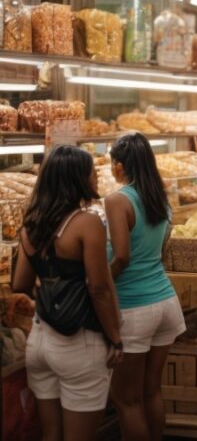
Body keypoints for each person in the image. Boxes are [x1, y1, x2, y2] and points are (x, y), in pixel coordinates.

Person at [13, 145, 123, 441]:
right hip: (79, 343)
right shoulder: (87, 223)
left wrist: (50, 286)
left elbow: (20, 283)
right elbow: (99, 288)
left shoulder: (30, 225)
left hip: (39, 342)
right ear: (77, 178)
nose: (97, 175)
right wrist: (115, 338)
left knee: (51, 436)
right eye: (91, 170)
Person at [105, 133, 185, 441]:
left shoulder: (118, 199)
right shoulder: (158, 197)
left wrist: (100, 282)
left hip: (134, 307)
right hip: (165, 301)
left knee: (127, 399)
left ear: (120, 166)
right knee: (151, 390)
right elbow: (160, 251)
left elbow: (122, 256)